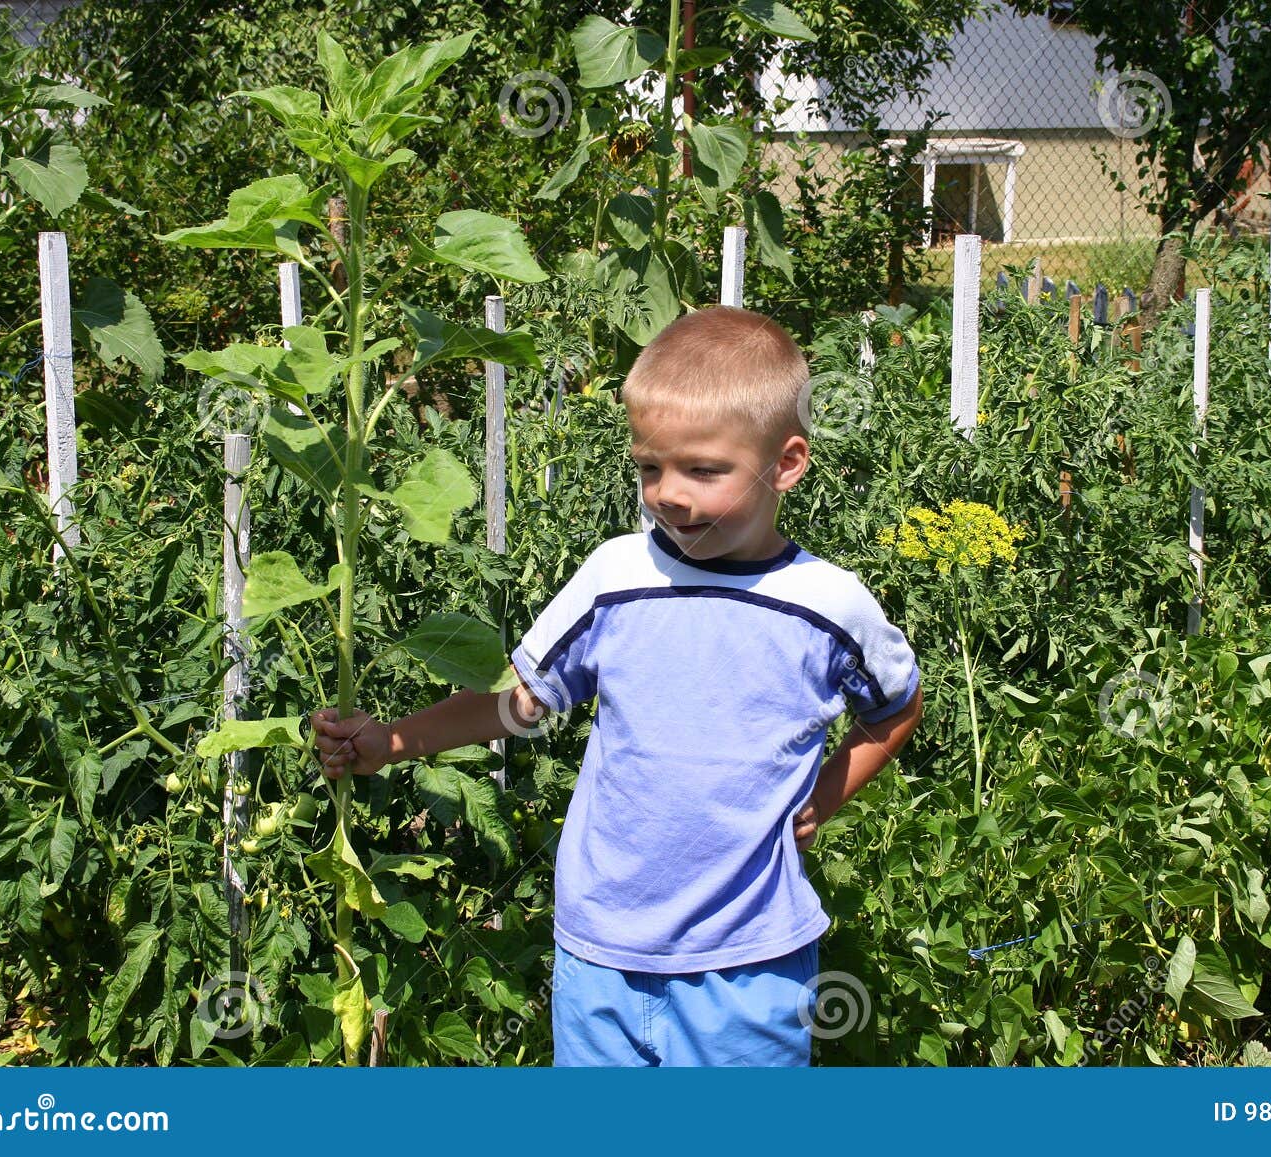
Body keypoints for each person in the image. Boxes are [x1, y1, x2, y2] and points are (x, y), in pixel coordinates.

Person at [310, 305, 923, 1066]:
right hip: (601, 956)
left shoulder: (826, 606)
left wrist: (825, 796)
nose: (667, 493)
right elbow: (519, 702)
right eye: (649, 466)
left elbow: (897, 705)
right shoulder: (617, 578)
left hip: (749, 966)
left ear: (786, 464)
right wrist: (392, 740)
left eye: (703, 470)